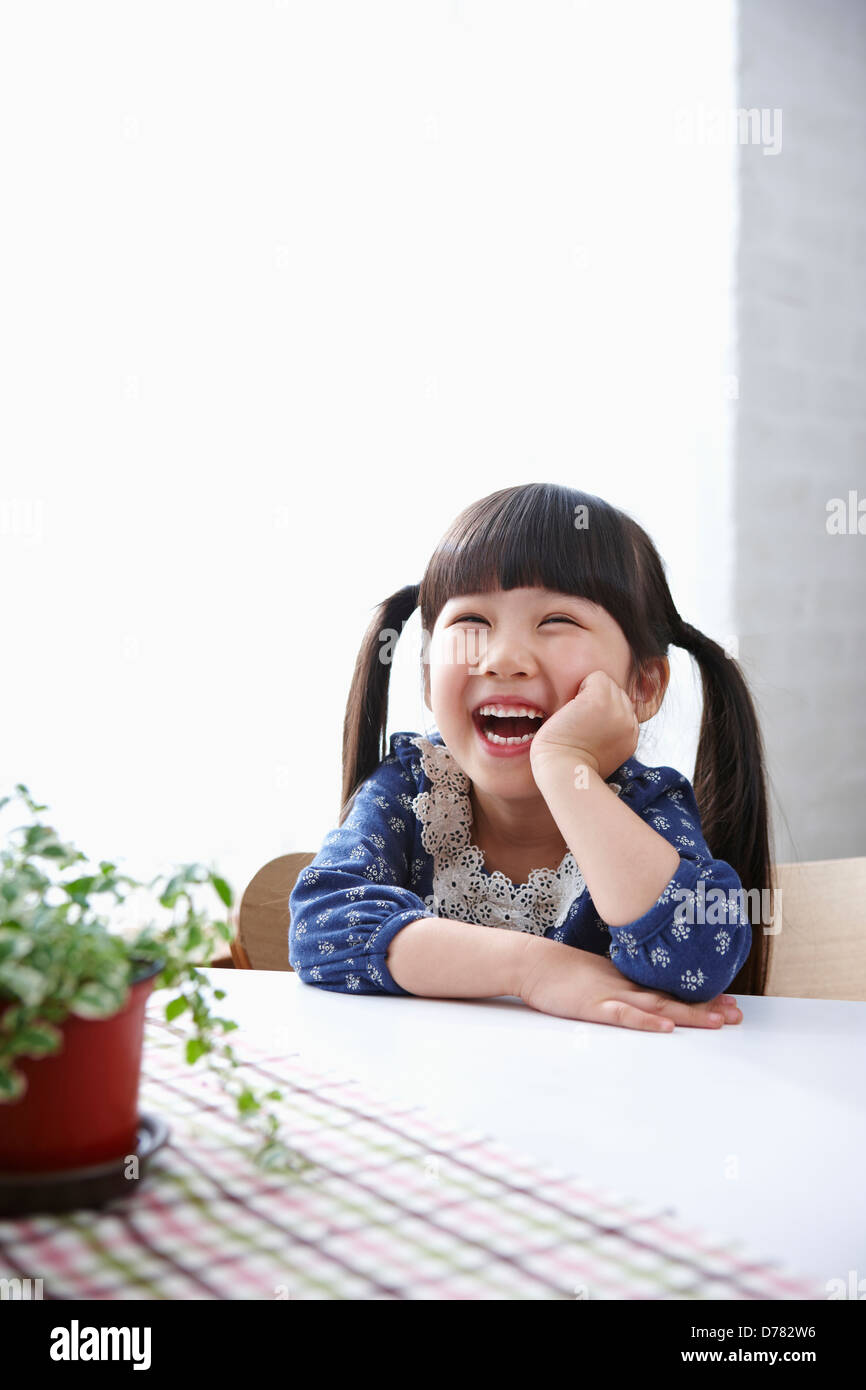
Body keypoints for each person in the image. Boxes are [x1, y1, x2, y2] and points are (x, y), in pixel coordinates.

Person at [289, 483, 773, 1031]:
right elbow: (321, 929)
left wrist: (567, 768)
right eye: (472, 622)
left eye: (557, 622)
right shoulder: (415, 790)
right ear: (426, 675)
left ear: (642, 685)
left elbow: (698, 961)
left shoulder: (645, 808)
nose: (504, 659)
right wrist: (532, 969)